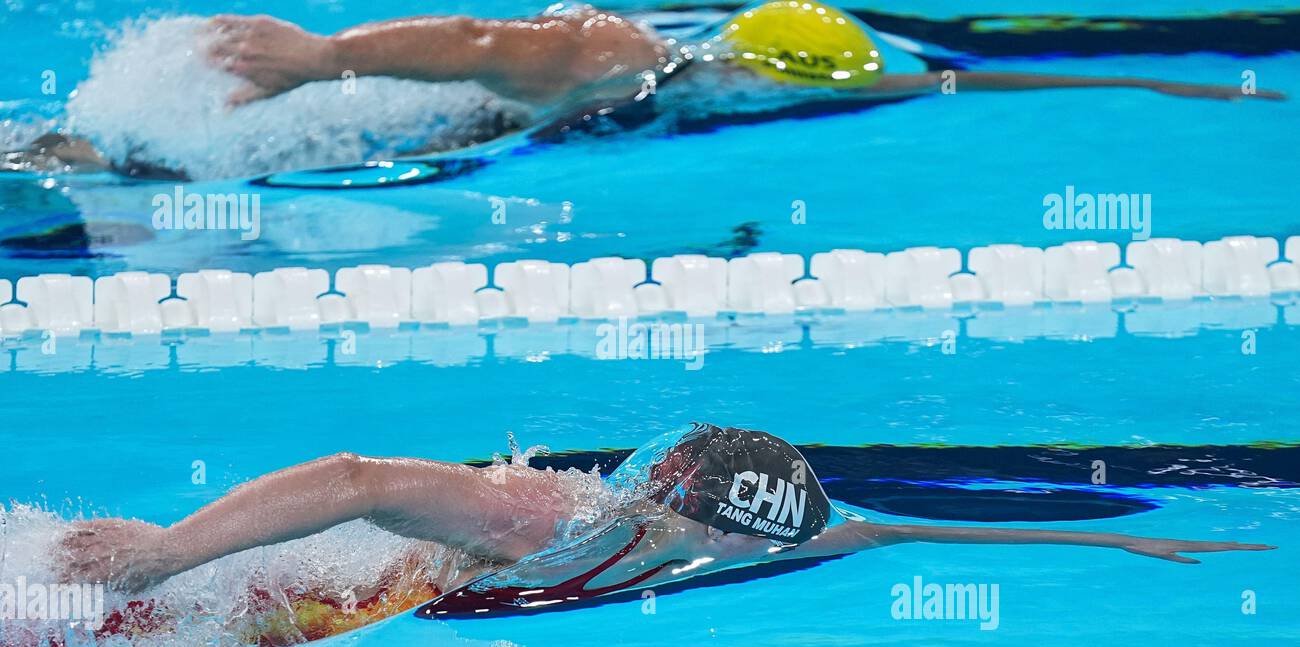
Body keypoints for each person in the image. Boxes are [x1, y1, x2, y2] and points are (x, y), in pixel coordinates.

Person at [62, 423, 1274, 610]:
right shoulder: (541, 515)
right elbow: (354, 474)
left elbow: (901, 530)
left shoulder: (762, 528)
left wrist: (1122, 533)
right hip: (267, 572)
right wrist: (164, 554)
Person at [12, 2, 1284, 178]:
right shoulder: (633, 58)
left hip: (453, 124)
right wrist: (322, 60)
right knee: (94, 166)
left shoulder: (725, 68)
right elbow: (479, 34)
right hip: (359, 114)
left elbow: (959, 79)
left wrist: (1203, 95)